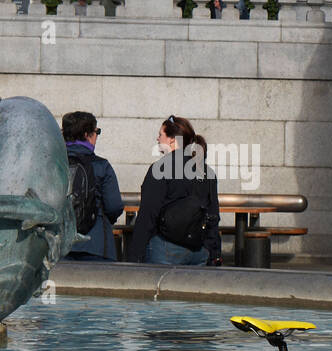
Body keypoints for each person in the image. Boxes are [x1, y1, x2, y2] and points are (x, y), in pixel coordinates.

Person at [130, 115, 221, 266]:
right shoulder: (206, 171)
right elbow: (213, 215)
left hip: (165, 248)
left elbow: (148, 215)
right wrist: (214, 252)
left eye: (160, 135)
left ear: (172, 139)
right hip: (199, 250)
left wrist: (135, 256)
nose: (157, 139)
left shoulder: (160, 168)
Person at [61, 111, 124, 262]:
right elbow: (114, 206)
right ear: (87, 134)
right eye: (97, 132)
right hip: (96, 244)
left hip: (59, 245)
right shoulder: (102, 166)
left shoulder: (54, 164)